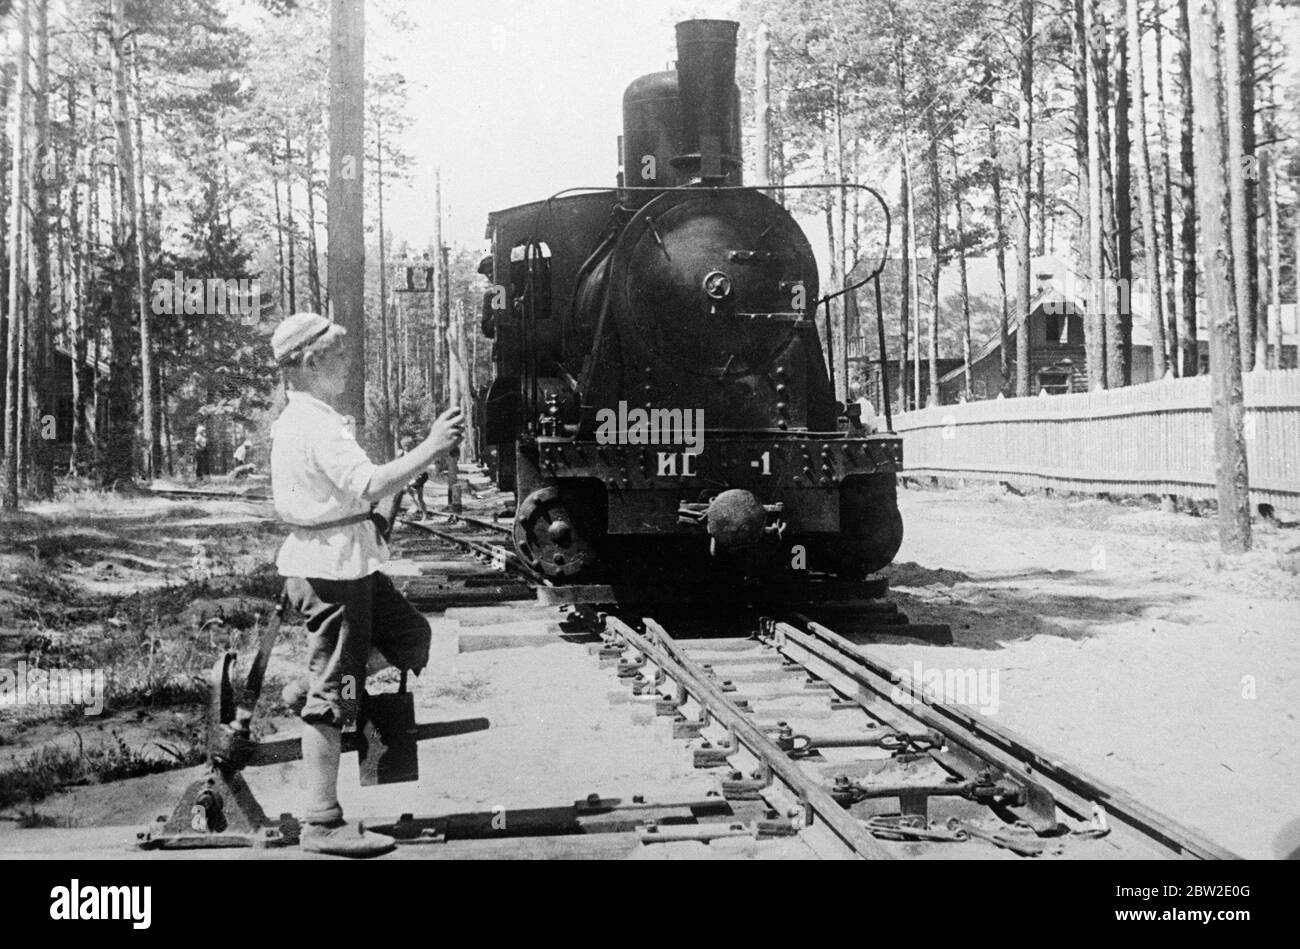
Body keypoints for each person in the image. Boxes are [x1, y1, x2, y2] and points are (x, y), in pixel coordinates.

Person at [269, 312, 464, 857]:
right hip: (331, 571)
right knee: (334, 700)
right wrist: (430, 445)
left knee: (408, 636)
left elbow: (358, 491)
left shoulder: (308, 418)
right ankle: (322, 820)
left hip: (346, 561)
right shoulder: (313, 424)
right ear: (311, 363)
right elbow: (369, 482)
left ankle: (315, 690)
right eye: (339, 358)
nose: (347, 367)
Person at [398, 435, 431, 519]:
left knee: (407, 487)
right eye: (405, 445)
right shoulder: (403, 454)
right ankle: (425, 514)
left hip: (421, 475)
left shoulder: (416, 454)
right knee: (420, 497)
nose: (407, 447)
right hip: (413, 476)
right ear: (402, 445)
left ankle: (414, 505)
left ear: (412, 445)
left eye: (408, 445)